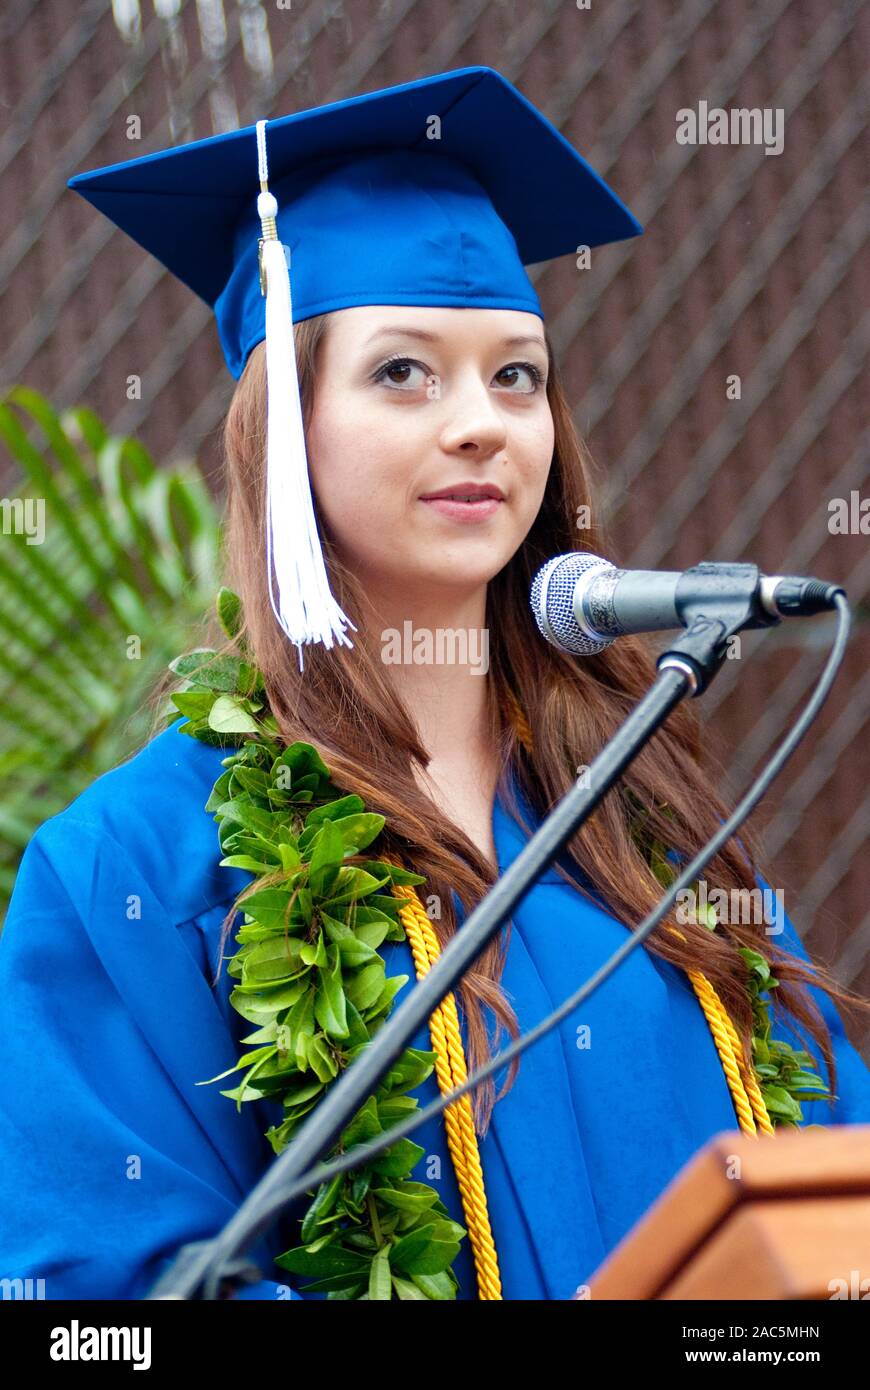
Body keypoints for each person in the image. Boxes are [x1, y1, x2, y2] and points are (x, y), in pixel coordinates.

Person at [1, 66, 868, 1303]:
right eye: (404, 371)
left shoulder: (647, 816)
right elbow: (95, 1307)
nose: (482, 423)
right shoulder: (133, 869)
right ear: (283, 426)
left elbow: (833, 1191)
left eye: (517, 375)